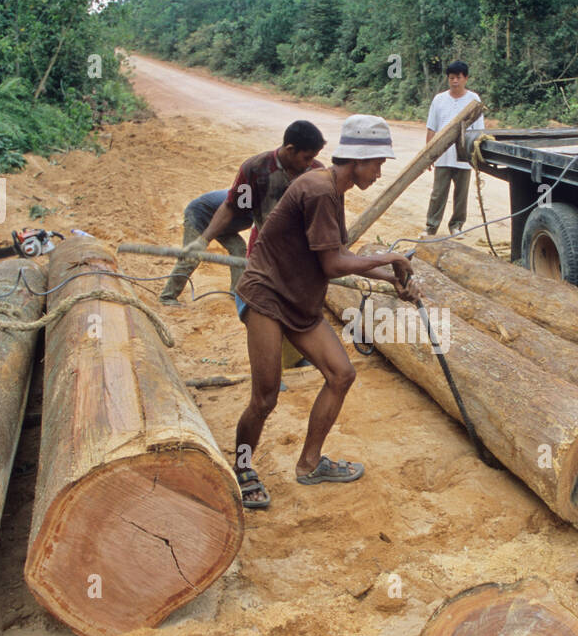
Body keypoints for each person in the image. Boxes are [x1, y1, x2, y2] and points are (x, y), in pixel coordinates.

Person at [232, 115, 421, 510]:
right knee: (265, 398)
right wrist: (389, 257)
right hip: (268, 295)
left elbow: (337, 256)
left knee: (341, 374)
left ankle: (310, 464)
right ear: (356, 159)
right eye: (377, 164)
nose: (379, 173)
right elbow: (334, 267)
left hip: (299, 299)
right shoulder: (319, 190)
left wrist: (391, 278)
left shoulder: (333, 188)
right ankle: (243, 468)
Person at [159, 120, 327, 304]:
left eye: (314, 157)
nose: (310, 163)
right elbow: (230, 209)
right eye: (306, 157)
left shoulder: (314, 172)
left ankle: (237, 294)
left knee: (238, 251)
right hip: (201, 216)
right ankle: (168, 296)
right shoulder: (256, 170)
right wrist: (203, 240)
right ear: (290, 149)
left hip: (230, 225)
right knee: (193, 254)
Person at [423, 60, 485, 237]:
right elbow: (431, 127)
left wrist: (476, 156)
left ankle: (456, 226)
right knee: (438, 193)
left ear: (465, 78)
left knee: (461, 195)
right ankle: (431, 226)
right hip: (442, 155)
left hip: (463, 155)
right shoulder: (439, 99)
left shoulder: (474, 100)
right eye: (451, 78)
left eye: (458, 77)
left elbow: (479, 130)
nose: (454, 81)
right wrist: (429, 155)